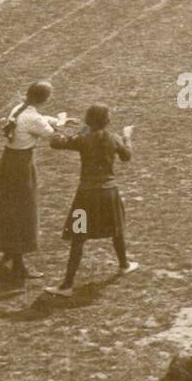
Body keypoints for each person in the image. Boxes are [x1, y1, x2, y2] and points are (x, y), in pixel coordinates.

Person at [47, 104, 137, 296]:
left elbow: (56, 142)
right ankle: (124, 265)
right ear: (107, 120)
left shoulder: (82, 139)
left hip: (85, 196)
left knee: (78, 237)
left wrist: (60, 125)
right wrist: (127, 136)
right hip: (109, 193)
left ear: (88, 121)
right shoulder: (114, 138)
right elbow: (127, 156)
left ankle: (67, 285)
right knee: (117, 230)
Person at [0, 81, 71, 281]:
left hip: (8, 162)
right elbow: (54, 137)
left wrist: (58, 121)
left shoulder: (19, 108)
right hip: (21, 166)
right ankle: (19, 264)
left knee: (8, 208)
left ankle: (9, 250)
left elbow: (39, 120)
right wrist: (65, 127)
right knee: (24, 210)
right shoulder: (34, 118)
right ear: (45, 99)